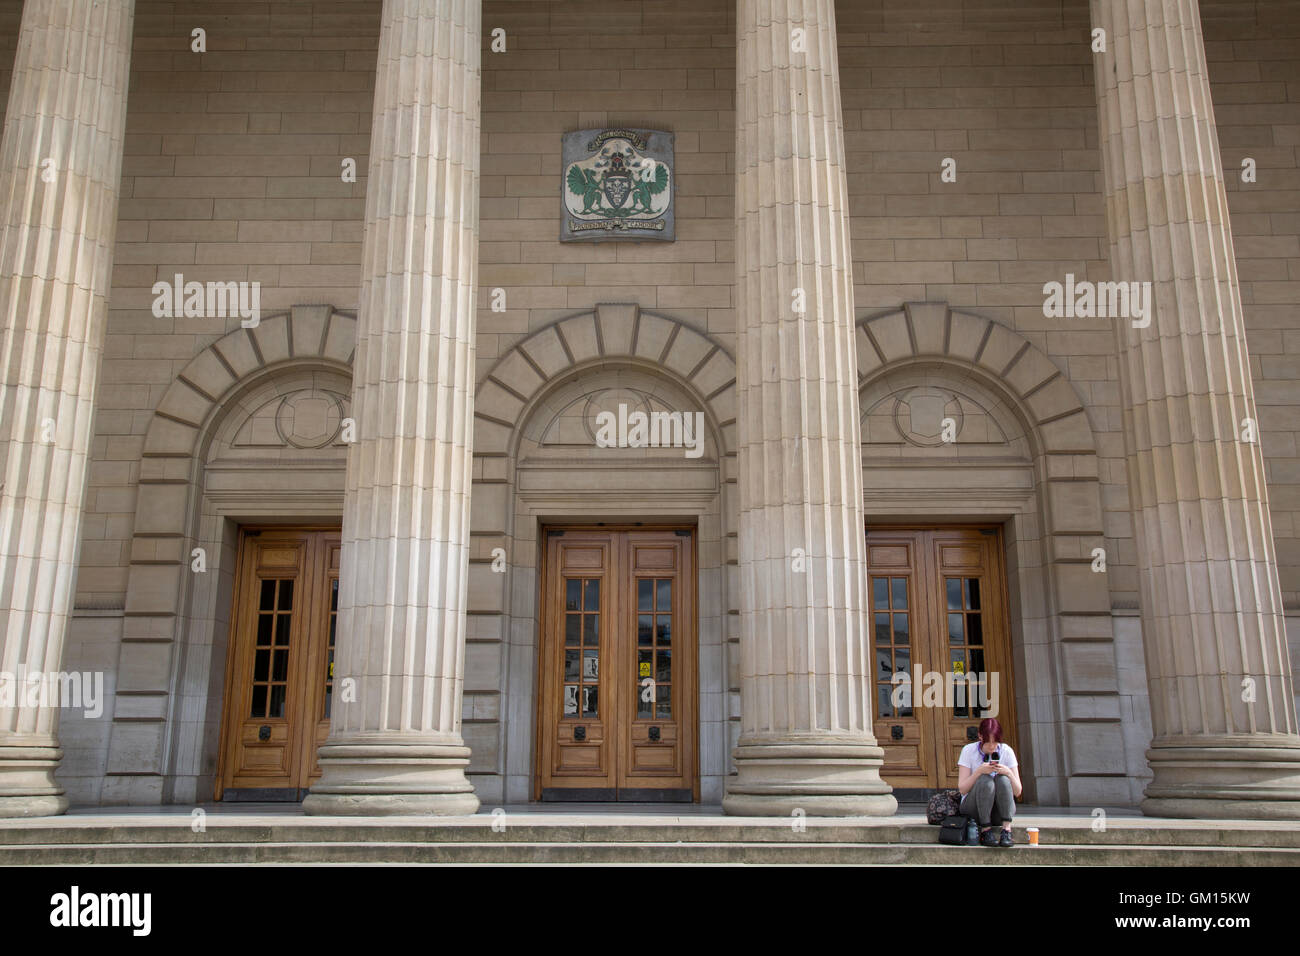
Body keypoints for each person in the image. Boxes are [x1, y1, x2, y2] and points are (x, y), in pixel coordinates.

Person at [956, 717, 1022, 847]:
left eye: (995, 742)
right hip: (974, 810)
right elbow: (962, 789)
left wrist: (1008, 772)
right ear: (980, 736)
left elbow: (1018, 791)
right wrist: (979, 772)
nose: (992, 746)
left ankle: (1006, 830)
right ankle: (986, 830)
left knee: (1002, 779)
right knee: (985, 780)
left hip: (1000, 811)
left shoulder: (1007, 751)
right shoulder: (969, 750)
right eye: (988, 742)